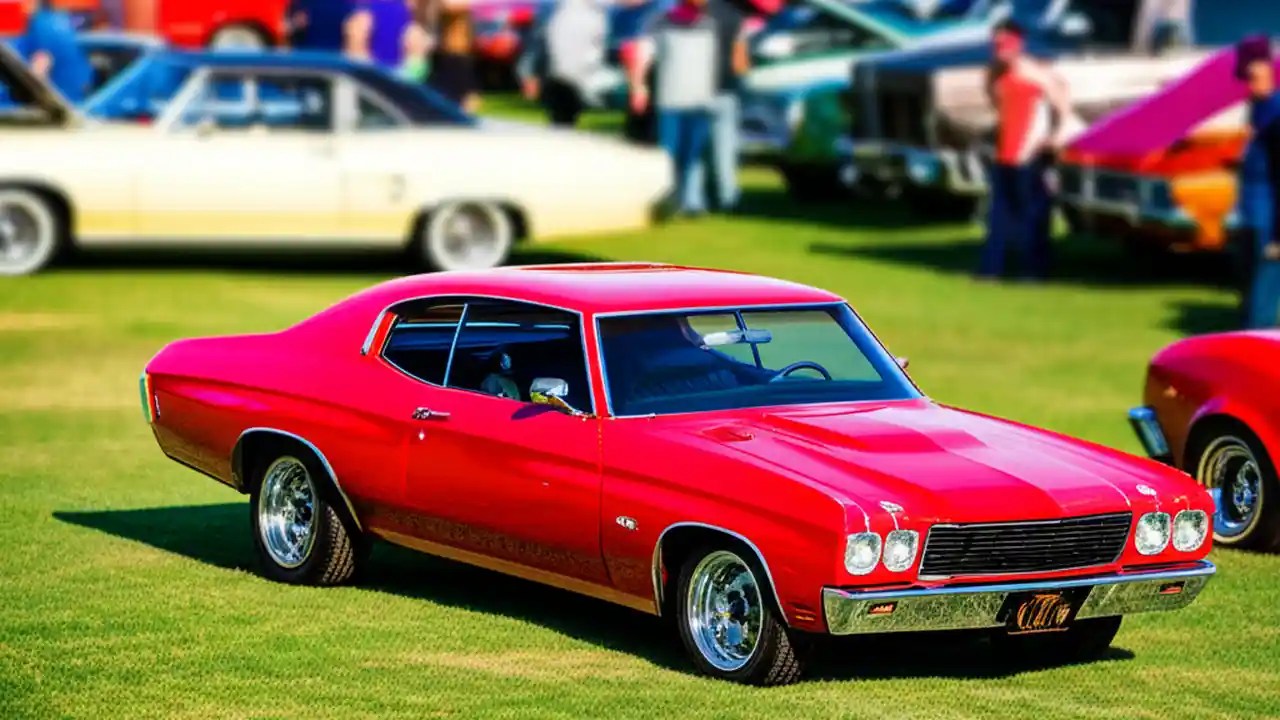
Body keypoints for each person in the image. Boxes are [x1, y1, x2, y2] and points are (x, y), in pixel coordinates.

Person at [978, 19, 1071, 281]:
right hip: (1005, 152)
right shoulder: (995, 74)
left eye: (1004, 43)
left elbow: (1062, 108)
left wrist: (1053, 137)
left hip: (1031, 154)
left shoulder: (1038, 74)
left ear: (1018, 44)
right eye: (995, 44)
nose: (999, 49)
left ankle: (1034, 270)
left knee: (1033, 214)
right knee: (999, 215)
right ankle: (991, 269)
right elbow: (996, 103)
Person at [631, 0, 719, 216]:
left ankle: (689, 201)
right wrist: (638, 87)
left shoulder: (710, 24)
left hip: (700, 101)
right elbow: (642, 55)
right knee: (668, 156)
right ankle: (668, 200)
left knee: (692, 155)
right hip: (670, 101)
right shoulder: (660, 22)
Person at [1235, 36, 1280, 329]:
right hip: (1250, 209)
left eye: (1253, 76)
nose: (1249, 84)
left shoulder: (1277, 112)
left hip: (1270, 215)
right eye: (1245, 78)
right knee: (1249, 280)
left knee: (1264, 285)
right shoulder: (1257, 107)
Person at [690, 0, 750, 212]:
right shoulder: (734, 15)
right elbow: (740, 59)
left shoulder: (686, 14)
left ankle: (693, 201)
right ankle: (728, 197)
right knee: (725, 149)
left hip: (692, 89)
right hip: (726, 88)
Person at [519, 0, 608, 128]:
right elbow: (538, 43)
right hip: (561, 74)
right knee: (562, 118)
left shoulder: (600, 9)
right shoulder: (553, 8)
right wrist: (529, 73)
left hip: (586, 72)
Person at [15, 0, 92, 103]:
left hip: (59, 107)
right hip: (77, 102)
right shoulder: (60, 21)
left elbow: (36, 76)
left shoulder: (39, 27)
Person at [429, 1, 481, 112]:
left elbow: (451, 7)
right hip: (444, 51)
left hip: (458, 50)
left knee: (466, 92)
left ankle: (466, 117)